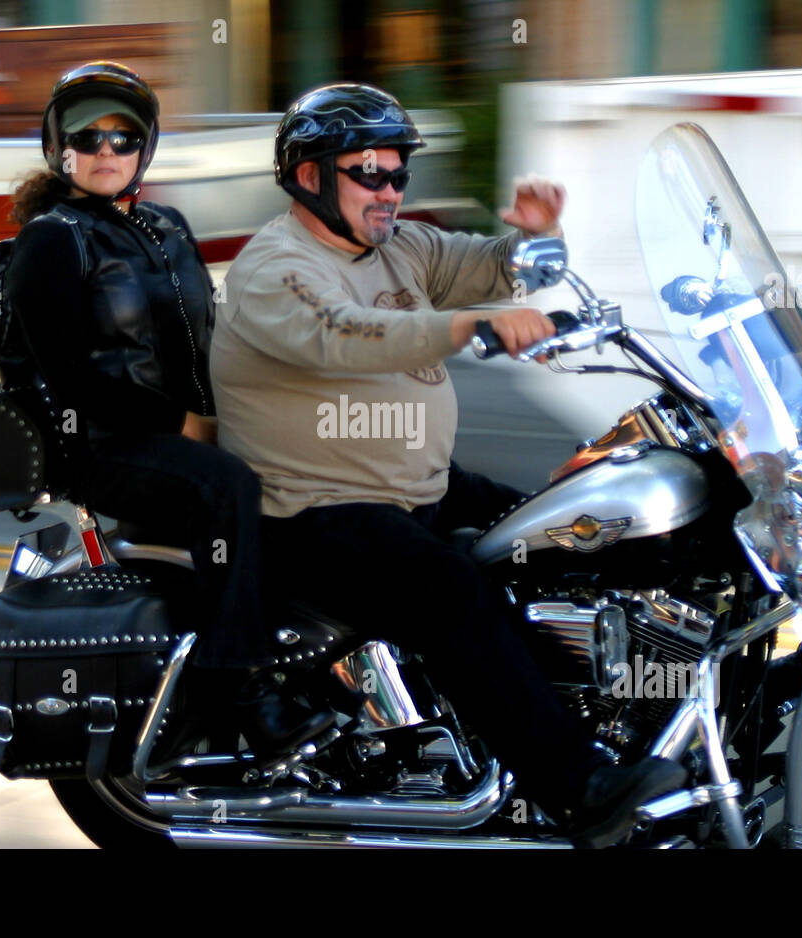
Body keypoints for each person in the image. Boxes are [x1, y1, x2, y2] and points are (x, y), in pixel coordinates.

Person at [210, 82, 687, 846]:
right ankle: (582, 792)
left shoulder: (402, 247)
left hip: (415, 488)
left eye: (399, 172)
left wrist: (537, 239)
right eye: (369, 171)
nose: (390, 189)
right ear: (309, 177)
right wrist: (473, 323)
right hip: (313, 511)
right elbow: (346, 335)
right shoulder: (277, 267)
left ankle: (617, 716)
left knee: (574, 532)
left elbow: (499, 270)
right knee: (451, 588)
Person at [0, 61, 333, 758]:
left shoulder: (167, 226)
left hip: (185, 429)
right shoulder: (51, 240)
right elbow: (73, 379)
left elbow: (210, 335)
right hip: (101, 447)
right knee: (228, 485)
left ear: (144, 149)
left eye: (124, 139)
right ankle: (239, 694)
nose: (105, 152)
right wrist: (184, 425)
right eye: (88, 137)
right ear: (59, 147)